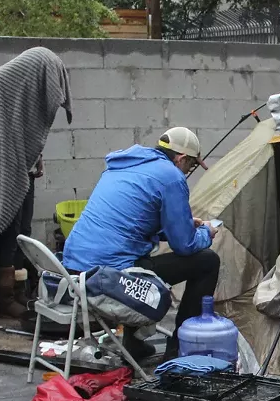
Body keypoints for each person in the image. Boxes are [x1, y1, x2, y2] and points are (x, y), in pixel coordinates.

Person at [62, 127, 220, 354]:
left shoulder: (122, 166)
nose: (189, 171)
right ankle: (180, 349)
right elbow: (184, 246)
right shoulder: (172, 176)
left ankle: (133, 345)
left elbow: (133, 224)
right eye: (191, 165)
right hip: (107, 278)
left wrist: (184, 224)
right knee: (207, 261)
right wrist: (206, 233)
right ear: (181, 158)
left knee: (136, 254)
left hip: (73, 271)